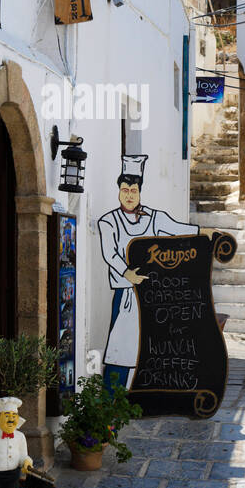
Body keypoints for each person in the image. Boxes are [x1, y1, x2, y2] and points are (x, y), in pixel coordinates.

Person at [97, 154, 214, 391]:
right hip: (126, 294)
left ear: (140, 191)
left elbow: (177, 229)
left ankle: (146, 394)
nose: (129, 195)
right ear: (119, 191)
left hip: (154, 296)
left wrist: (205, 232)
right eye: (125, 189)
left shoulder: (153, 217)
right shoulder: (108, 222)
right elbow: (110, 253)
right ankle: (111, 400)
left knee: (155, 348)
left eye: (133, 190)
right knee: (120, 349)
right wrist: (127, 273)